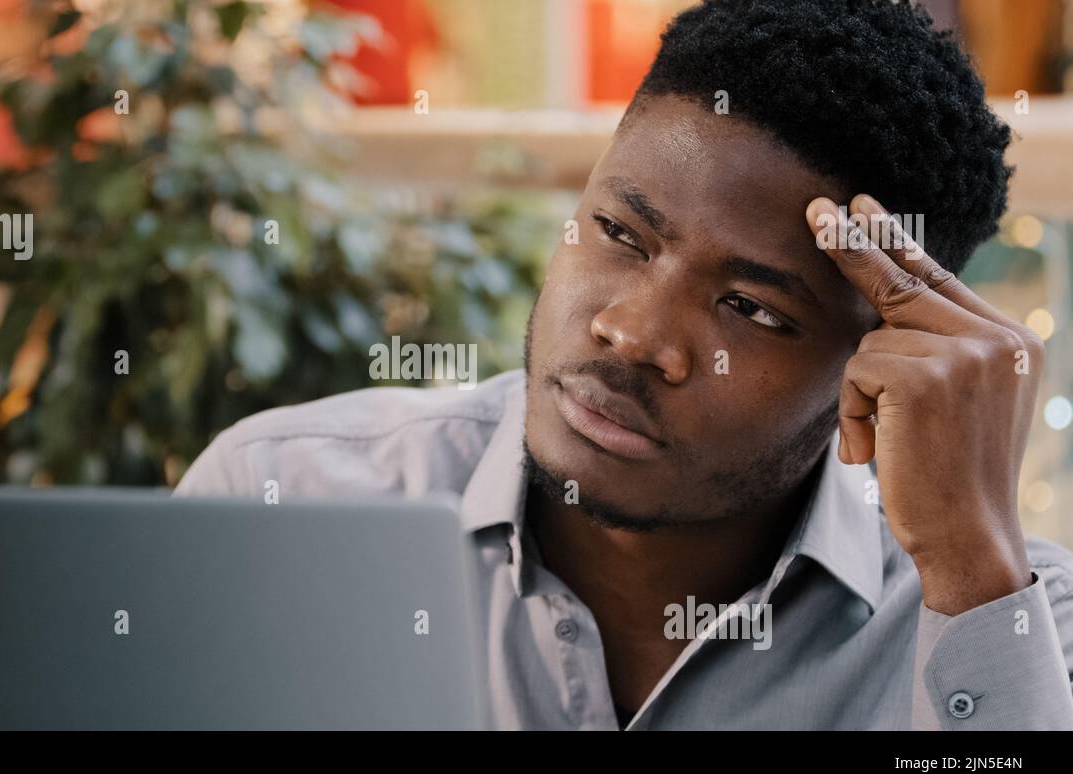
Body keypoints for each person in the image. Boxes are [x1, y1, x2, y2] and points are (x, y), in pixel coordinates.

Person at [175, 0, 1073, 730]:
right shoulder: (278, 500)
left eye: (752, 308)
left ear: (877, 363)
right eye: (619, 233)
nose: (633, 333)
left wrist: (969, 575)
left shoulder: (1018, 623)